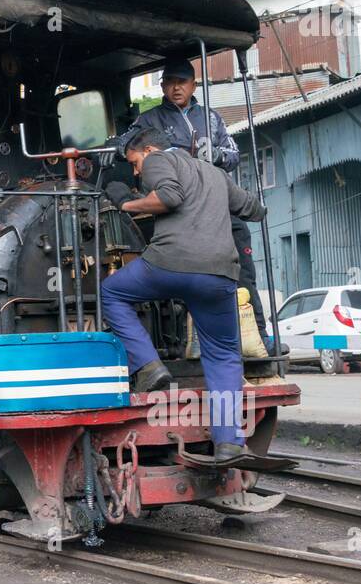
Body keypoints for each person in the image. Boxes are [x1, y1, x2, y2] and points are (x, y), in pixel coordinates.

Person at [100, 127, 267, 462]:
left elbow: (169, 196)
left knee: (112, 293)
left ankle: (148, 367)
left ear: (147, 150)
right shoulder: (215, 173)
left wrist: (126, 203)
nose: (136, 170)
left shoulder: (158, 159)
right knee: (223, 355)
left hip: (169, 265)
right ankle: (229, 442)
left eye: (134, 162)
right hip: (220, 274)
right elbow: (252, 208)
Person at [119, 56, 275, 350]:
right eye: (170, 83)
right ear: (163, 86)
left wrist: (212, 155)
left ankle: (261, 339)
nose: (176, 88)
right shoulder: (148, 121)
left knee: (244, 272)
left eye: (183, 82)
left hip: (217, 201)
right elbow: (123, 146)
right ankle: (183, 342)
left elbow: (232, 153)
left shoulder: (212, 118)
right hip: (178, 210)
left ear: (194, 85)